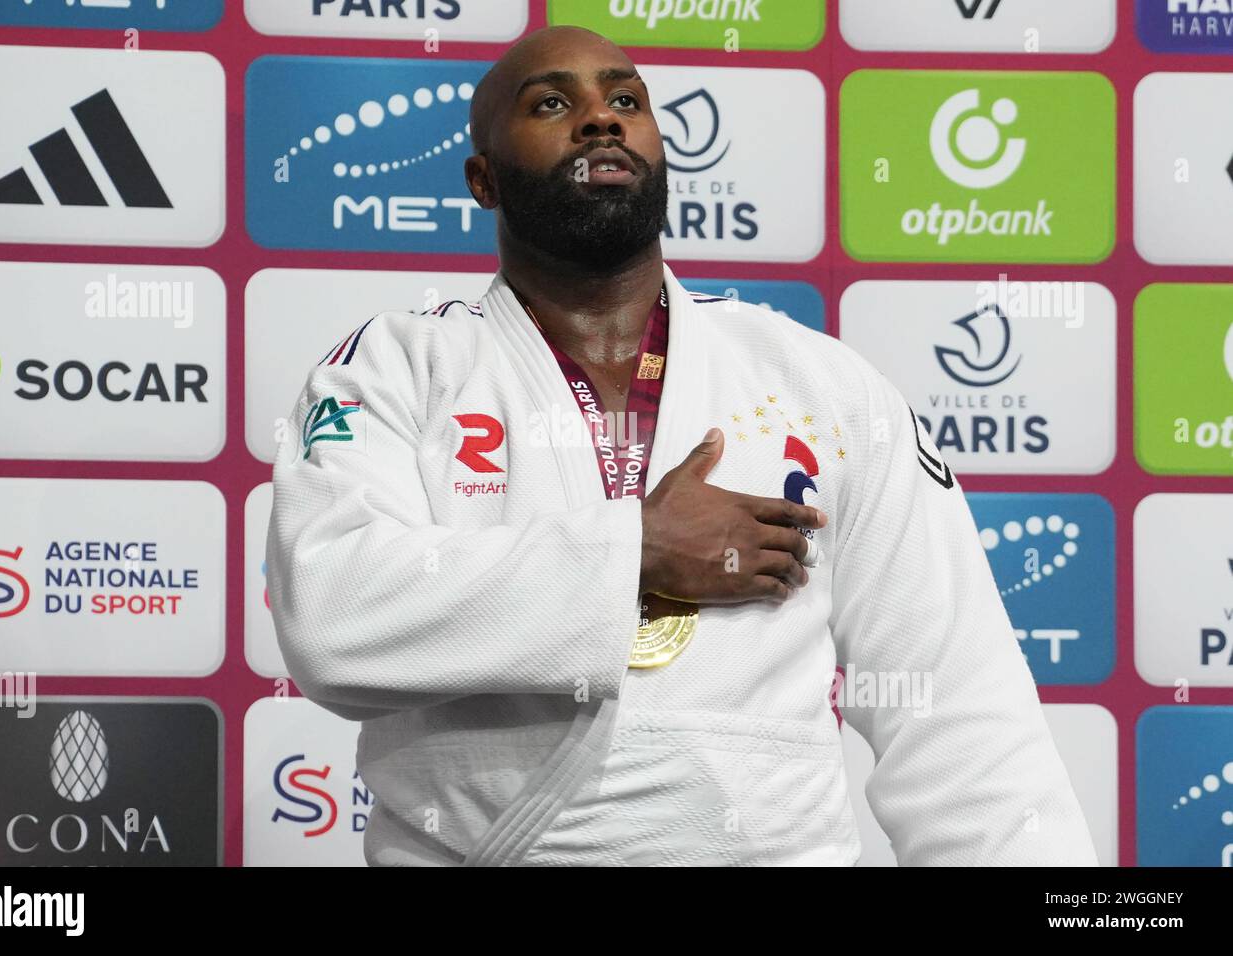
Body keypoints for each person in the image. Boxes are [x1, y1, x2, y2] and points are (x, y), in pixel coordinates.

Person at [265, 25, 1098, 866]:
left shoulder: (821, 384)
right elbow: (332, 615)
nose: (601, 120)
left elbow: (957, 706)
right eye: (552, 103)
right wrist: (635, 552)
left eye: (625, 100)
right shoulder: (396, 369)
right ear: (483, 178)